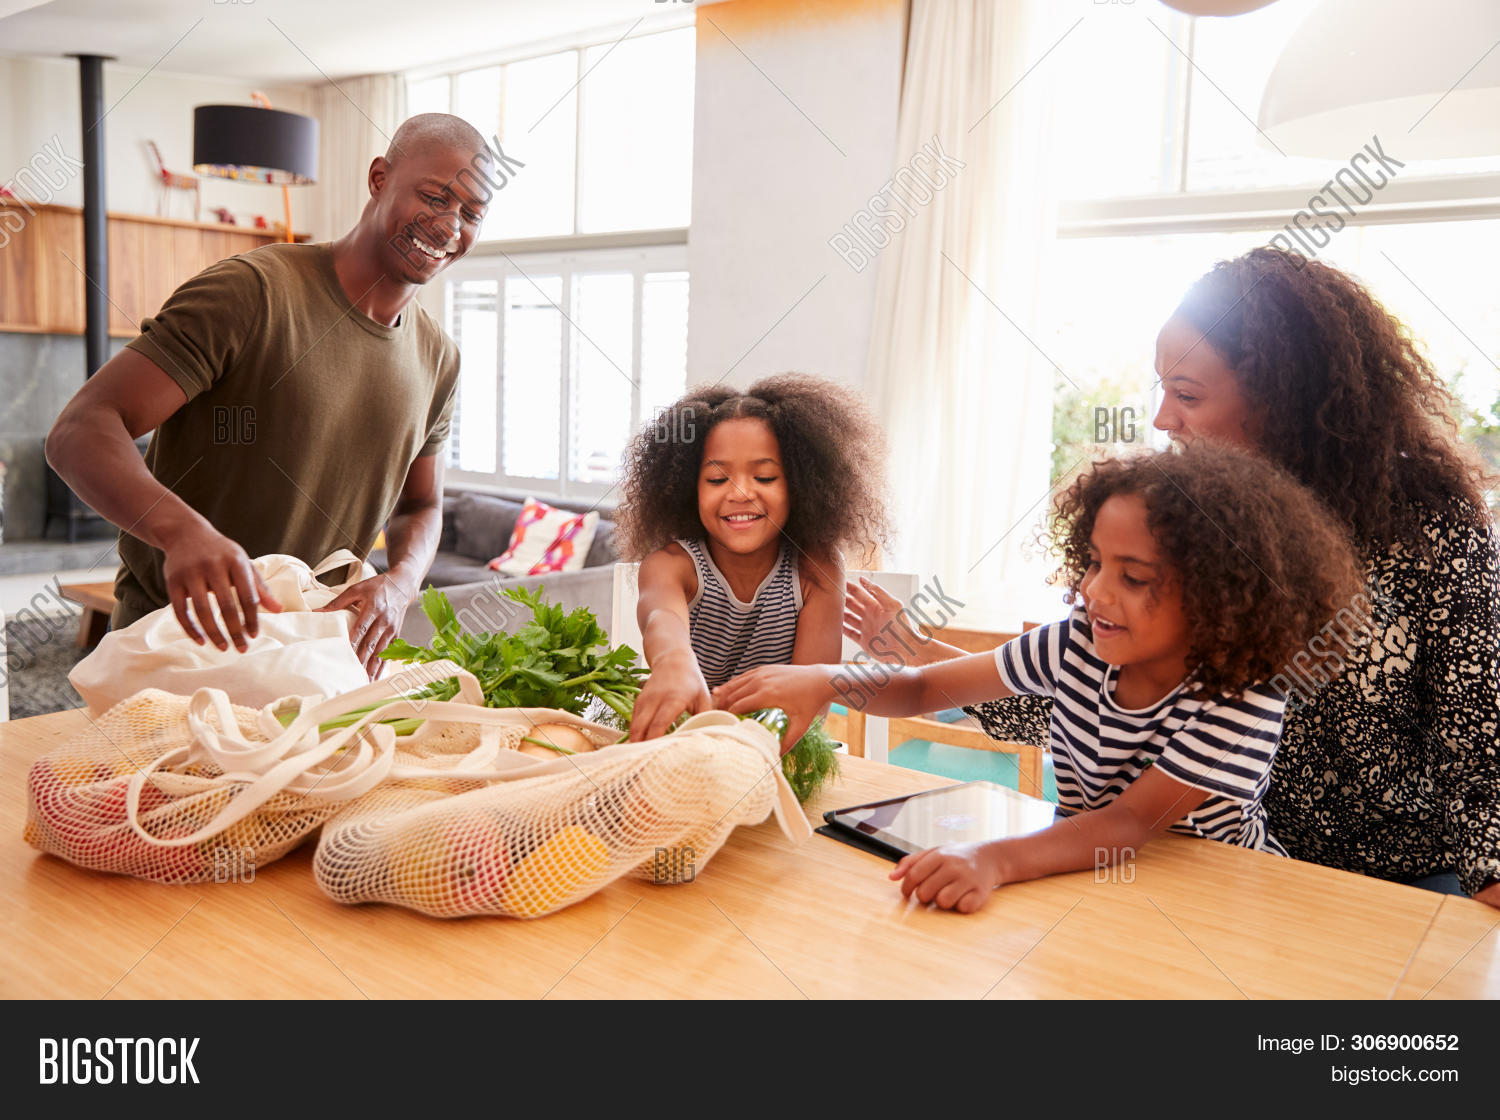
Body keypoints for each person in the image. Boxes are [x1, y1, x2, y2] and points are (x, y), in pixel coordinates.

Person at [847, 246, 1500, 906]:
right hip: (1215, 873)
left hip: (1393, 888)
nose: (1162, 419)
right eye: (1162, 390)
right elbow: (1106, 714)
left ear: (1285, 401)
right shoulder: (1194, 529)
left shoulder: (1429, 529)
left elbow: (1481, 746)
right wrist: (928, 665)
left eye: (1186, 395)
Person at [718, 445, 1366, 912]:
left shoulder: (1239, 700)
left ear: (1221, 597)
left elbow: (1126, 827)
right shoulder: (1076, 642)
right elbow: (923, 688)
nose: (1095, 591)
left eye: (1133, 578)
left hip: (1215, 902)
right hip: (1081, 878)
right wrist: (828, 681)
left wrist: (992, 858)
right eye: (1093, 563)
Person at [46, 114, 497, 678]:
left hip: (315, 661)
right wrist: (183, 533)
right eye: (434, 196)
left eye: (472, 213)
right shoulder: (251, 292)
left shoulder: (439, 358)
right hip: (175, 651)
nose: (448, 224)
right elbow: (81, 429)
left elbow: (421, 504)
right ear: (379, 178)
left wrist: (401, 583)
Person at [615, 374, 890, 743]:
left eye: (764, 476)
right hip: (683, 744)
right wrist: (673, 660)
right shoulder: (672, 565)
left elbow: (807, 703)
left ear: (802, 485)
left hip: (773, 748)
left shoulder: (816, 568)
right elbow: (661, 617)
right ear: (686, 488)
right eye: (716, 480)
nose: (741, 493)